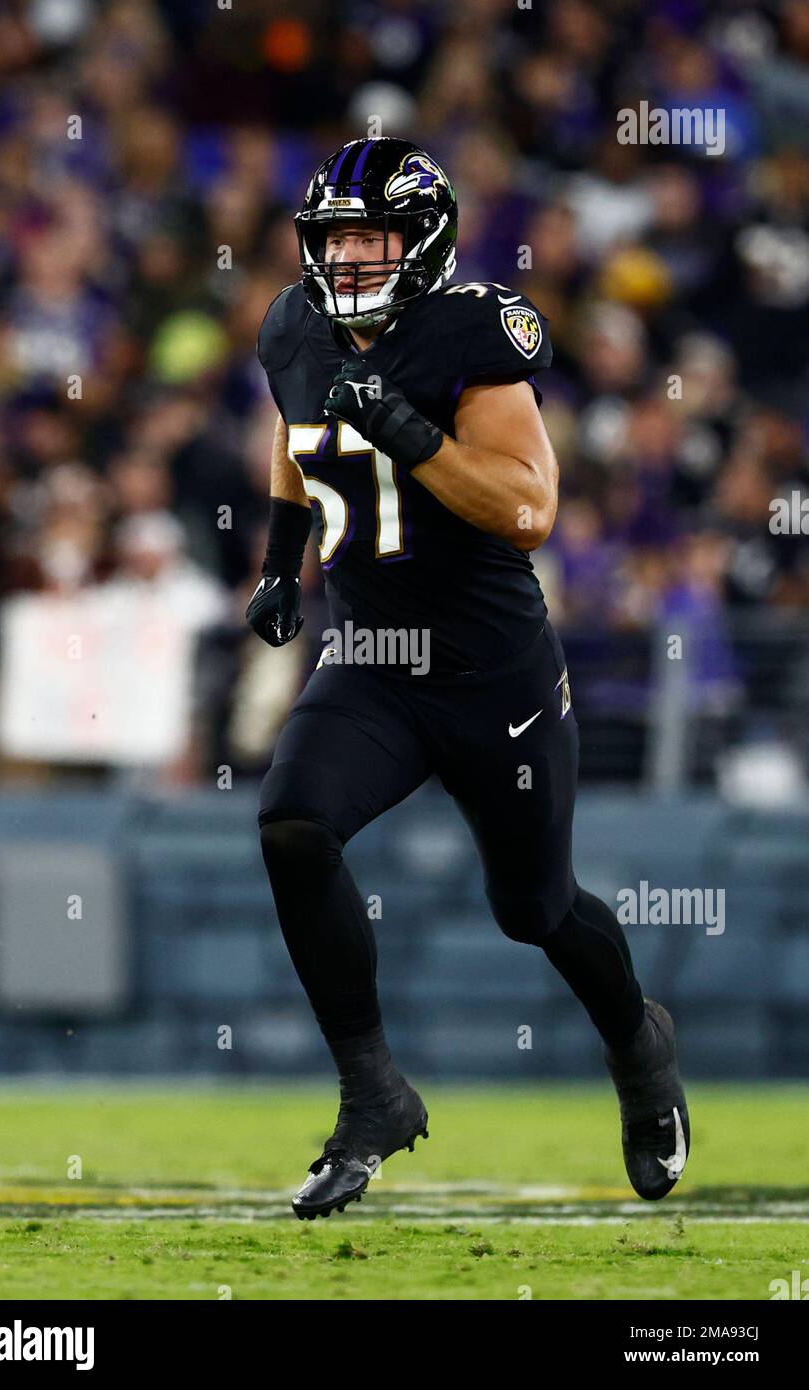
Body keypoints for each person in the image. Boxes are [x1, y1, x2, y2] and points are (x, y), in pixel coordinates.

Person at [247, 137, 689, 1220]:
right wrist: (275, 560)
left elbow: (528, 510)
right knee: (292, 823)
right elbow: (293, 440)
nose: (348, 259)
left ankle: (637, 1043)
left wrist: (408, 431)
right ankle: (371, 1094)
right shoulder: (294, 326)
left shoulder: (468, 334)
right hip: (372, 660)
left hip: (492, 675)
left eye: (369, 238)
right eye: (335, 239)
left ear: (424, 240)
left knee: (532, 908)